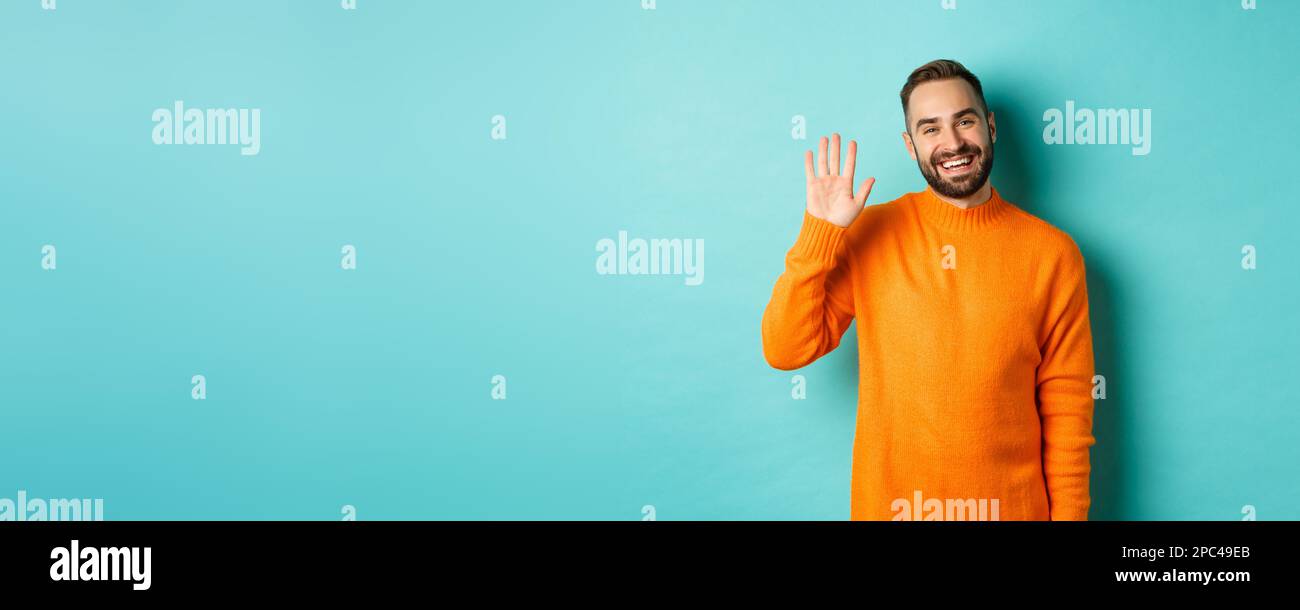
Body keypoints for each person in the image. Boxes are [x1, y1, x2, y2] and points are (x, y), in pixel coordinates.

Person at [761, 59, 1096, 520]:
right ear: (910, 144)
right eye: (930, 128)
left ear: (990, 126)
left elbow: (1068, 413)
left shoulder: (1053, 254)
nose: (953, 143)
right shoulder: (869, 235)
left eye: (964, 120)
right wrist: (820, 234)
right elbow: (785, 349)